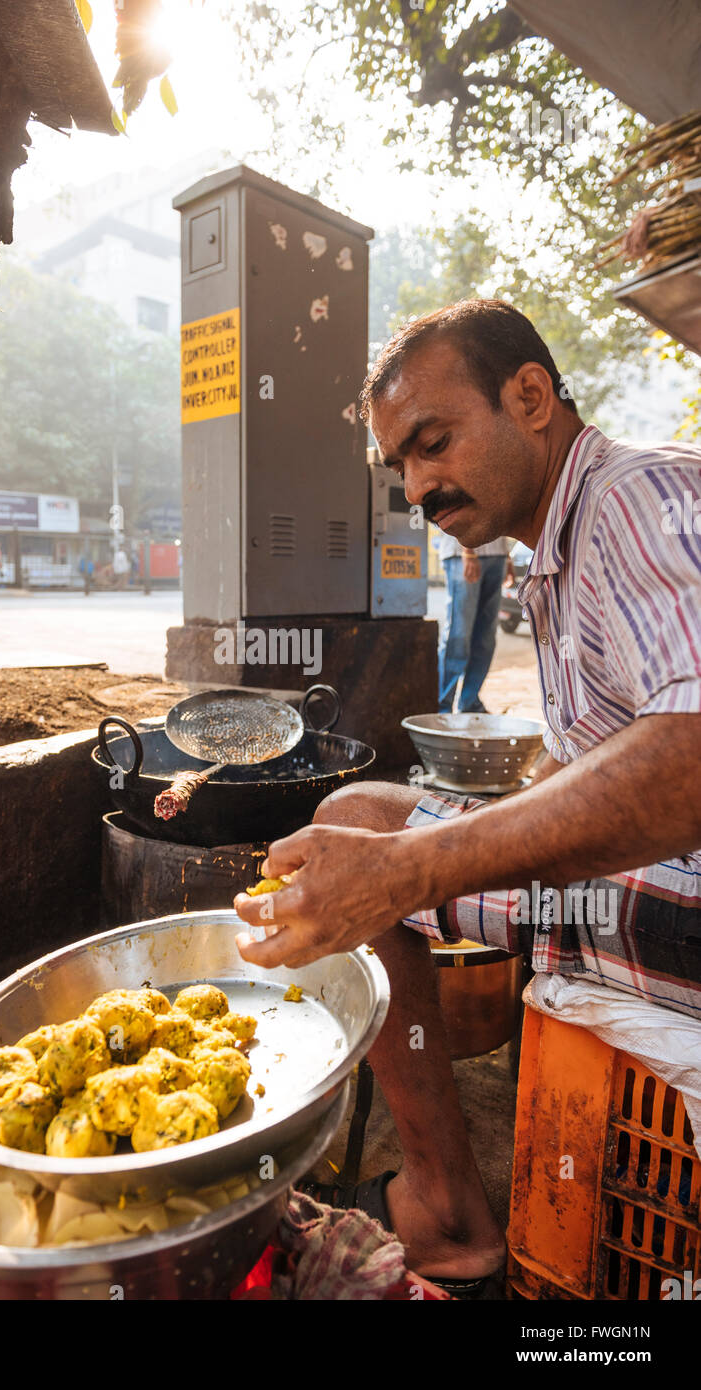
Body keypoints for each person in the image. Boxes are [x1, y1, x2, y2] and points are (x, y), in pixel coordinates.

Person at [233, 299, 701, 1293]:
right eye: (399, 465)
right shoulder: (557, 553)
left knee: (379, 857)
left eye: (432, 444)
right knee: (354, 822)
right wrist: (460, 826)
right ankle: (445, 1197)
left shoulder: (633, 496)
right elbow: (606, 751)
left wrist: (418, 866)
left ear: (530, 395)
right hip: (659, 874)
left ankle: (447, 1211)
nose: (417, 487)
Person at [435, 532, 514, 712]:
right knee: (458, 635)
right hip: (461, 554)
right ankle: (442, 706)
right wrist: (468, 550)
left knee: (486, 638)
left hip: (497, 553)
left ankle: (470, 703)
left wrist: (507, 555)